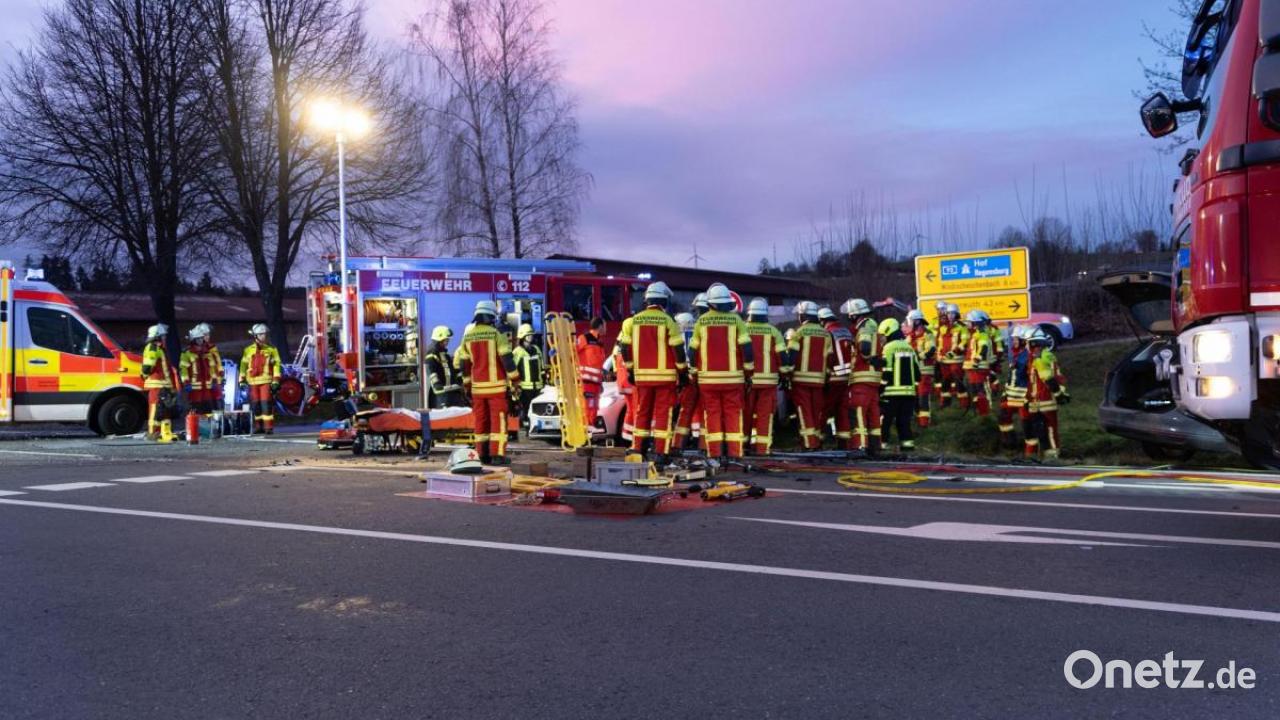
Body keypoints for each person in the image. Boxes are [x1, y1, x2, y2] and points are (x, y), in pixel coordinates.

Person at [618, 282, 686, 459]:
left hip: (642, 377)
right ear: (664, 301)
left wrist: (631, 370)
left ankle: (638, 449)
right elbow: (678, 350)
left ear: (647, 300)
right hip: (666, 378)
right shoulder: (669, 322)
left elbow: (624, 348)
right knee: (663, 414)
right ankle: (661, 452)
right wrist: (682, 372)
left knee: (642, 412)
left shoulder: (632, 322)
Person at [689, 283, 754, 459]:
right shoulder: (737, 321)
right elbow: (747, 349)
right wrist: (748, 373)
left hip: (708, 381)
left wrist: (694, 373)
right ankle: (734, 454)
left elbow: (692, 351)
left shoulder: (701, 322)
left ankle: (715, 455)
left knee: (712, 416)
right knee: (733, 416)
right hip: (733, 380)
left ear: (710, 303)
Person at [454, 301, 519, 464]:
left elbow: (464, 364)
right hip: (496, 389)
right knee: (498, 421)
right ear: (491, 316)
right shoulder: (496, 334)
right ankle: (497, 455)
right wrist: (516, 380)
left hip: (477, 389)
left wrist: (467, 386)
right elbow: (507, 360)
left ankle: (482, 454)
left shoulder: (467, 336)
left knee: (480, 420)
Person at [743, 298, 789, 455]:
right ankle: (762, 449)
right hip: (769, 382)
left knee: (745, 414)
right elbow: (782, 357)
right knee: (765, 416)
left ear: (750, 313)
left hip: (747, 381)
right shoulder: (774, 332)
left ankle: (743, 445)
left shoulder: (742, 329)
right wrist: (784, 375)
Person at [785, 301, 831, 451]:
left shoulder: (799, 333)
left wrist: (787, 374)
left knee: (804, 412)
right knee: (817, 412)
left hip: (800, 380)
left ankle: (808, 443)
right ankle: (817, 442)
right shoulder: (826, 334)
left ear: (803, 315)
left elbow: (791, 357)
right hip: (819, 381)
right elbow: (830, 358)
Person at [843, 297, 883, 455]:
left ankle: (860, 445)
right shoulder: (873, 325)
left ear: (854, 314)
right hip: (873, 377)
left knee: (858, 411)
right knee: (873, 412)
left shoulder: (864, 327)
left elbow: (865, 347)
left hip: (862, 376)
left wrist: (865, 356)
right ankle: (875, 445)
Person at [1023, 328, 1071, 459]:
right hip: (1037, 401)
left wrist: (1058, 394)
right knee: (1042, 430)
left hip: (1045, 400)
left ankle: (1053, 457)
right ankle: (1044, 456)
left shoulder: (1040, 358)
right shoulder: (1040, 356)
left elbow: (1048, 379)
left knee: (1049, 429)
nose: (1026, 346)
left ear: (1033, 343)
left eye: (1027, 343)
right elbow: (1033, 382)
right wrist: (1027, 399)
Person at [878, 318, 921, 453]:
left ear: (888, 332)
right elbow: (918, 373)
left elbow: (887, 372)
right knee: (904, 421)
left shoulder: (888, 348)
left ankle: (882, 445)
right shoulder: (909, 347)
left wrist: (880, 390)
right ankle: (907, 446)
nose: (882, 339)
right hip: (909, 394)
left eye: (883, 336)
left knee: (885, 421)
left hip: (891, 393)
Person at [820, 306, 854, 447]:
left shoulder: (827, 332)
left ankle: (818, 440)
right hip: (847, 376)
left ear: (822, 320)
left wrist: (825, 375)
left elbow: (828, 356)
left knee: (824, 409)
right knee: (842, 410)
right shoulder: (846, 331)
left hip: (834, 377)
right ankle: (843, 442)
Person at [239, 323, 282, 434]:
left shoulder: (272, 349)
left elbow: (277, 365)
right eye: (261, 334)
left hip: (266, 381)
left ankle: (268, 427)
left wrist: (276, 381)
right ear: (255, 336)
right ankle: (258, 427)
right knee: (256, 405)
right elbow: (243, 366)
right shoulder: (248, 350)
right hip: (252, 382)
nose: (264, 336)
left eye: (265, 334)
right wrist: (241, 381)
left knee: (266, 404)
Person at [997, 326, 1033, 450]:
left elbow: (1031, 379)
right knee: (1003, 417)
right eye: (1013, 339)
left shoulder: (1029, 356)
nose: (1014, 341)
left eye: (1016, 339)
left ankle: (1031, 452)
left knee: (1027, 425)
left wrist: (1030, 397)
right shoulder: (1017, 354)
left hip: (1024, 397)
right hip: (1012, 396)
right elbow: (1012, 376)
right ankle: (1009, 444)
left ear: (1024, 340)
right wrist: (1005, 393)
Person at [141, 324, 177, 442]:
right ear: (157, 336)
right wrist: (144, 375)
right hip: (156, 385)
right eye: (163, 336)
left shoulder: (160, 348)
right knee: (155, 410)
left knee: (165, 410)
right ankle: (153, 433)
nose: (165, 338)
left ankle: (164, 432)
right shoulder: (152, 348)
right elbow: (147, 367)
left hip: (163, 385)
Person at [671, 312, 701, 449]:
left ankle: (679, 442)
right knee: (698, 410)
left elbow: (676, 356)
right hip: (697, 376)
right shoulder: (697, 335)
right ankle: (696, 439)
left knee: (684, 410)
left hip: (682, 377)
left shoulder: (677, 336)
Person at [179, 323, 223, 415]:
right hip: (194, 388)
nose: (201, 340)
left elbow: (213, 367)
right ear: (193, 340)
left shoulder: (207, 352)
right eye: (198, 338)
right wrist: (186, 382)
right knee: (196, 410)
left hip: (208, 386)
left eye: (201, 338)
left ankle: (209, 424)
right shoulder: (187, 353)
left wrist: (216, 380)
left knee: (210, 409)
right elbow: (183, 369)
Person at [904, 310, 936, 427]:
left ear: (917, 321)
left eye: (910, 320)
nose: (909, 323)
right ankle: (917, 418)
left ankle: (925, 422)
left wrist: (917, 356)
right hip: (913, 370)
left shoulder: (928, 334)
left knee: (923, 395)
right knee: (914, 395)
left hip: (924, 369)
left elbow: (931, 350)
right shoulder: (910, 335)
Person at [962, 310, 996, 416]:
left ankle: (985, 413)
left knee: (981, 389)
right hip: (974, 367)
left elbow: (983, 348)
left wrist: (976, 361)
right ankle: (978, 411)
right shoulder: (976, 334)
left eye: (969, 322)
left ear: (976, 323)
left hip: (980, 367)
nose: (967, 324)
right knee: (974, 389)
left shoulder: (982, 334)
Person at [936, 303, 969, 408]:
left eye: (953, 313)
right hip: (944, 360)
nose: (950, 315)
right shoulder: (943, 327)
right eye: (949, 313)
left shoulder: (962, 327)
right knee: (945, 381)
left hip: (956, 360)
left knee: (958, 381)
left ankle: (964, 403)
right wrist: (938, 354)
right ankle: (945, 402)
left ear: (957, 314)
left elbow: (964, 342)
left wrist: (953, 352)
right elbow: (939, 342)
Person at [511, 324, 544, 427]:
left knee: (537, 411)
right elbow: (512, 370)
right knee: (525, 410)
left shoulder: (536, 349)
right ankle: (525, 427)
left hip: (538, 387)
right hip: (524, 389)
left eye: (531, 335)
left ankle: (535, 427)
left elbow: (542, 367)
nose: (530, 337)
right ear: (522, 336)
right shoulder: (517, 352)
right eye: (528, 335)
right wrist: (514, 386)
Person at [576, 317, 606, 427]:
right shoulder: (584, 338)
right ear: (600, 326)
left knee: (594, 407)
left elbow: (598, 364)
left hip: (596, 384)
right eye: (605, 326)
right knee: (586, 408)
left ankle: (591, 429)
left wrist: (600, 382)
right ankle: (584, 430)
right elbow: (573, 353)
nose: (606, 328)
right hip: (586, 382)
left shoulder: (599, 342)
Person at [425, 325, 465, 409]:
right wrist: (438, 386)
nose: (447, 342)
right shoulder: (431, 356)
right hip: (440, 396)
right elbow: (432, 372)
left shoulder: (445, 355)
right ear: (439, 340)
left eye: (447, 340)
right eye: (445, 340)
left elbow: (451, 371)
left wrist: (460, 377)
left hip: (450, 393)